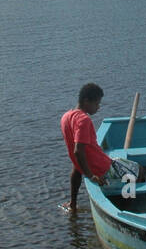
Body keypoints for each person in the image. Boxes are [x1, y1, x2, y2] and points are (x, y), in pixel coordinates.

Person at [60, 83, 141, 215]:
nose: (98, 107)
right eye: (97, 104)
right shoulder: (83, 120)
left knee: (76, 168)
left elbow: (77, 160)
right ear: (86, 101)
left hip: (89, 164)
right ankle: (128, 204)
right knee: (138, 170)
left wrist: (85, 171)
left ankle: (73, 204)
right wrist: (92, 176)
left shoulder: (66, 117)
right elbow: (78, 150)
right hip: (102, 168)